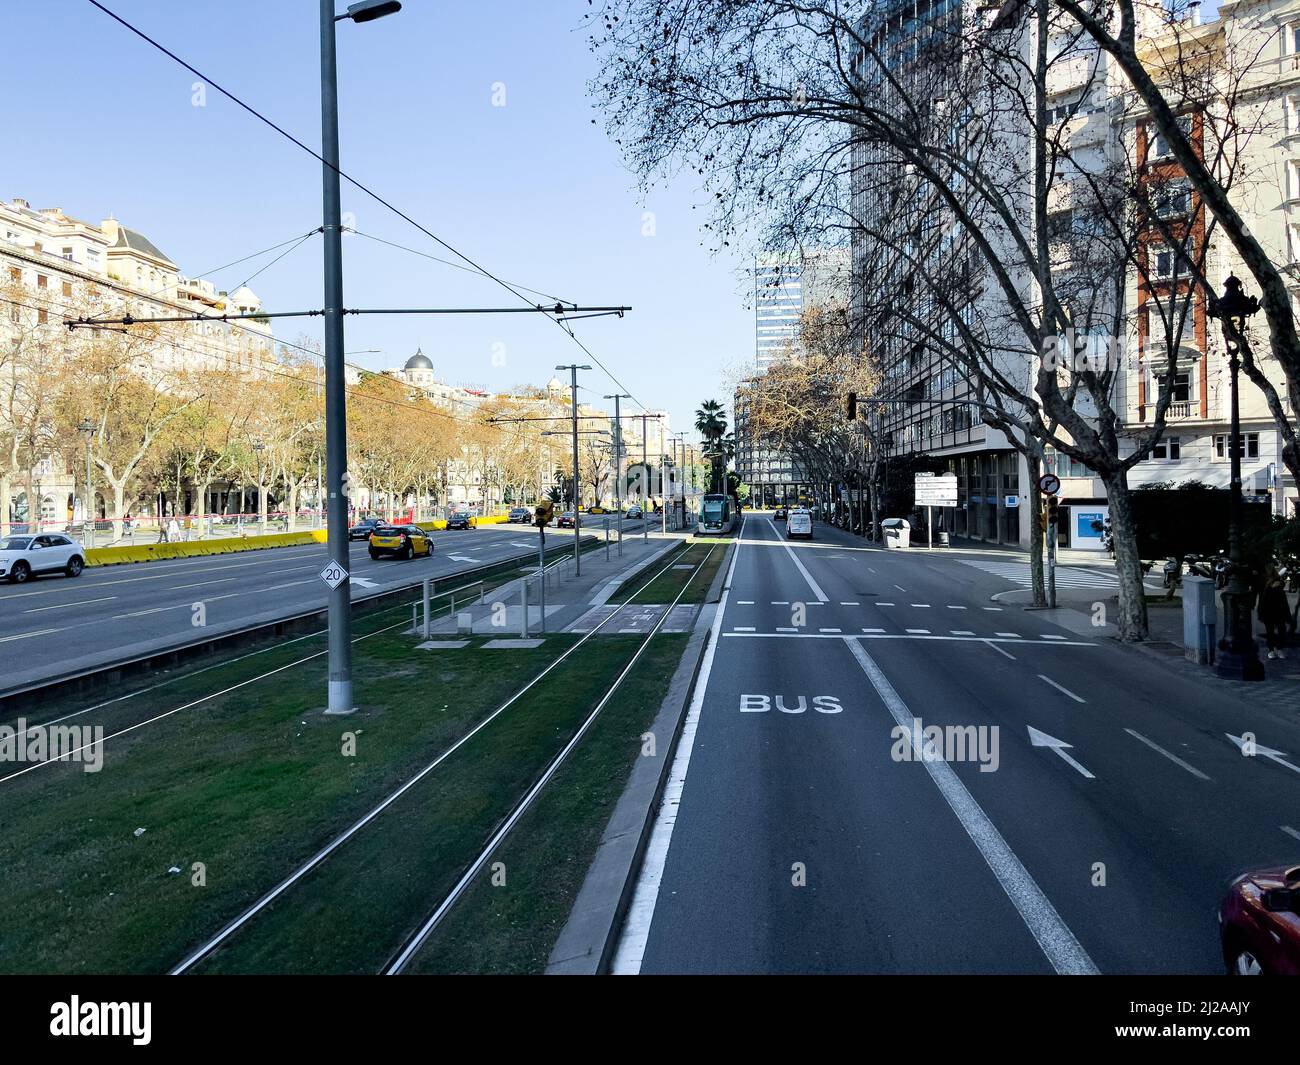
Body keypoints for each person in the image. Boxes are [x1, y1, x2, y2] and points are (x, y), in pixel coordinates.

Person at [1258, 563, 1290, 660]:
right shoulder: (1264, 582)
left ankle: (1278, 649)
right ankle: (1272, 650)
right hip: (1268, 610)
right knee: (1270, 631)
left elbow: (1282, 598)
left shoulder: (1278, 581)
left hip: (1278, 609)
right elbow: (1262, 598)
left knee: (1280, 629)